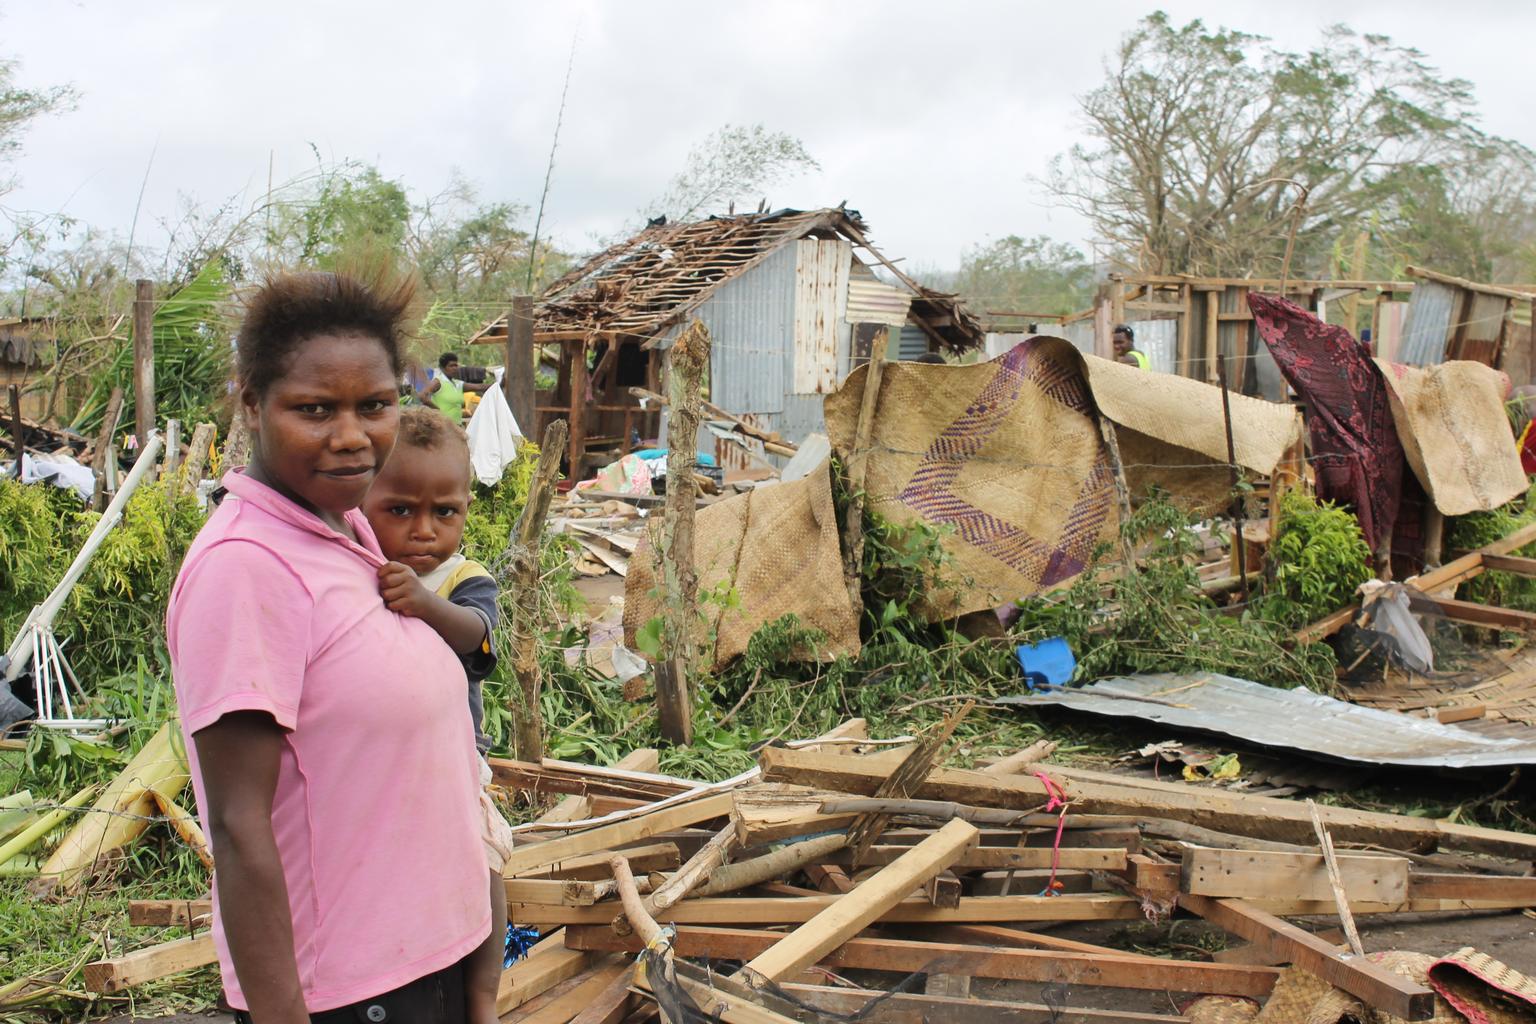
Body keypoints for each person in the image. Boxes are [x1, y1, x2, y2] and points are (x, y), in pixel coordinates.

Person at [166, 270, 496, 1024]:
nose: (352, 437)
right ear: (253, 404)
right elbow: (238, 825)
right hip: (349, 991)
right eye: (315, 409)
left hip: (427, 958)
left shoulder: (345, 529)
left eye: (374, 405)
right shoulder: (247, 568)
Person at [362, 406, 514, 1014]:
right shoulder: (354, 566)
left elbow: (478, 638)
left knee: (483, 862)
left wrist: (425, 604)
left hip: (453, 760)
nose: (424, 531)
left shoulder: (463, 578)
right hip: (379, 764)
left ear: (466, 509)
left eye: (444, 513)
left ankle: (482, 997)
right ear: (362, 502)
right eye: (400, 510)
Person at [423, 352, 490, 425]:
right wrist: (438, 411)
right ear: (443, 368)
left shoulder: (457, 384)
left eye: (456, 365)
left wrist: (497, 384)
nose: (455, 368)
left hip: (456, 425)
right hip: (442, 426)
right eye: (451, 366)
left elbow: (479, 387)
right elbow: (423, 396)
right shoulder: (438, 382)